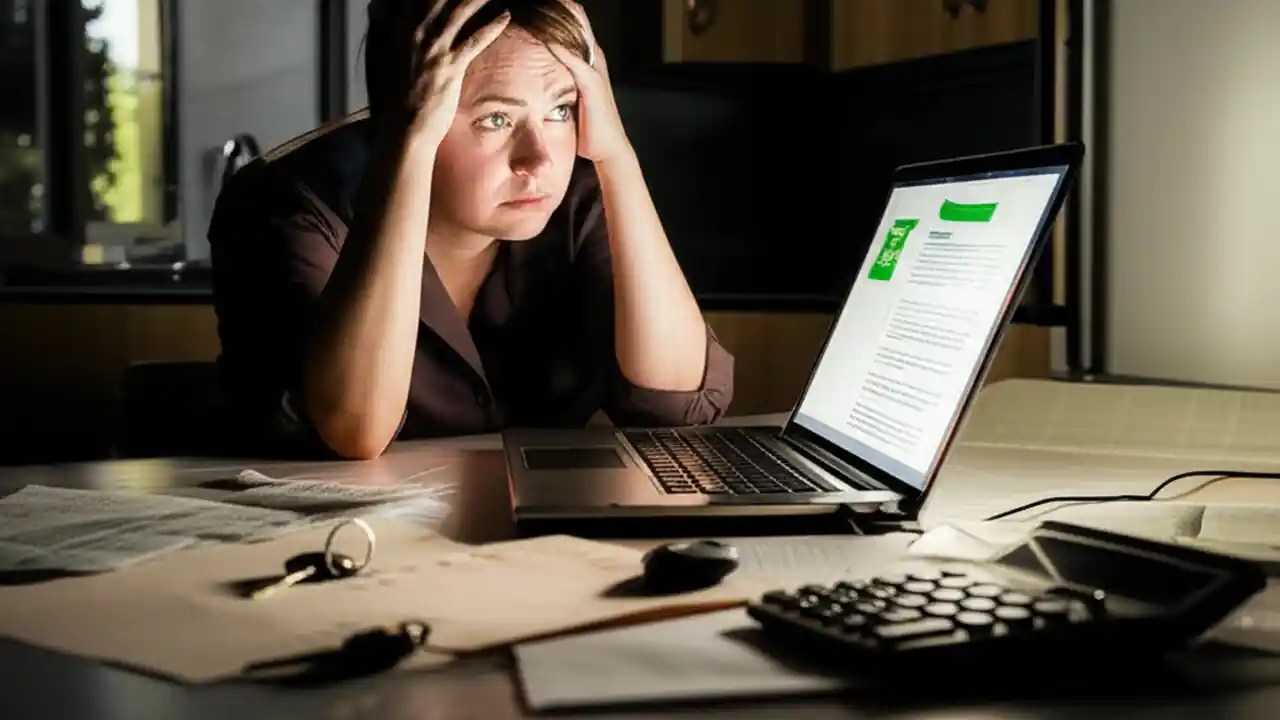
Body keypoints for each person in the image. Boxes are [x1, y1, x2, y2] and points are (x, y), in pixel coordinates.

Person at [208, 0, 734, 460]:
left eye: (560, 110)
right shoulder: (288, 207)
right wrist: (408, 148)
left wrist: (617, 156)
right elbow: (355, 430)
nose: (539, 159)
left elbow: (675, 401)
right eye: (496, 120)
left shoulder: (575, 196)